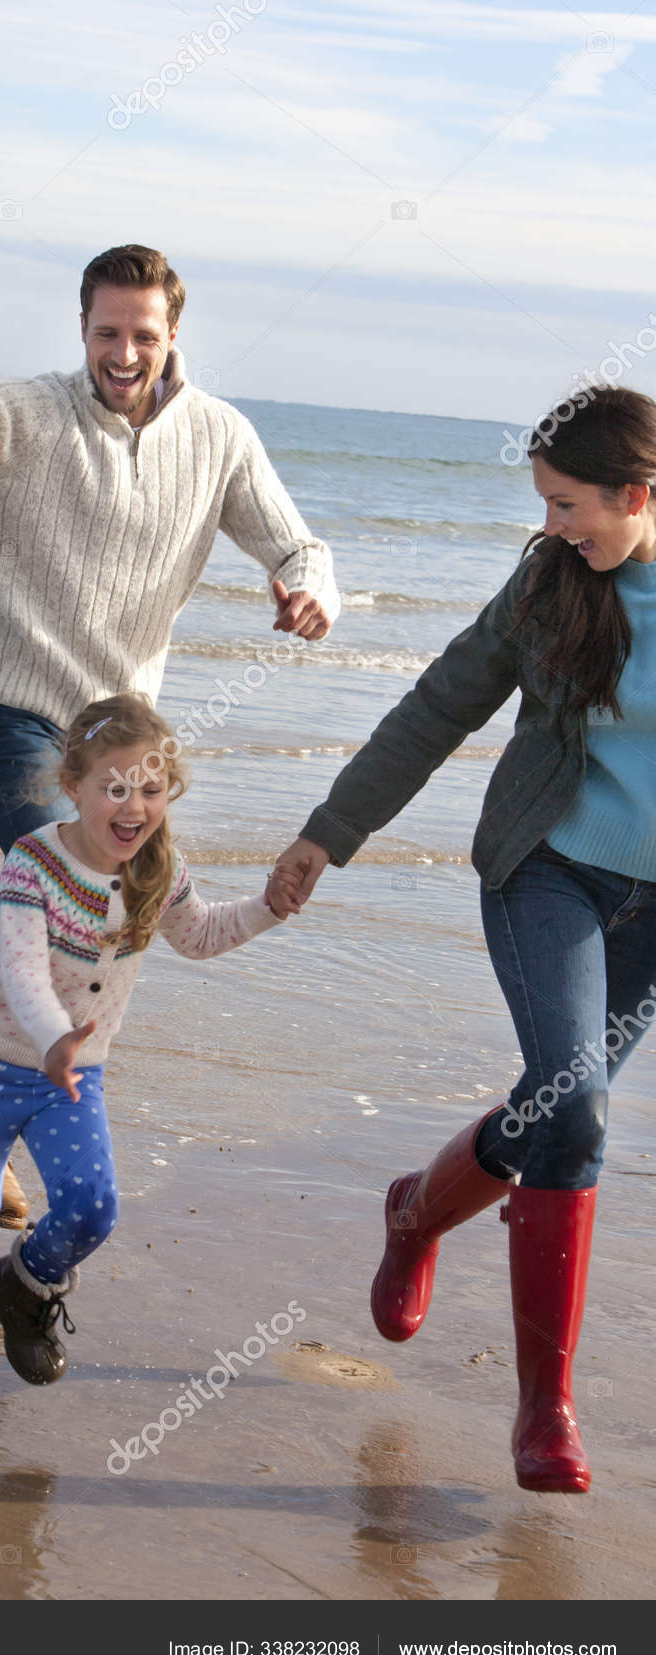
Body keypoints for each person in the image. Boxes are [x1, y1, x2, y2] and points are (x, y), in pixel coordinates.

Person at [0, 243, 339, 1219]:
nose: (123, 352)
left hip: (119, 744)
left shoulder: (218, 438)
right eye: (106, 331)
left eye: (142, 334)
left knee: (40, 917)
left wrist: (309, 586)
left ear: (170, 336)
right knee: (61, 895)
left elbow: (296, 540)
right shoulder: (30, 412)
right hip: (7, 713)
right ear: (81, 329)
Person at [272, 385, 656, 1495]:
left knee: (551, 1106)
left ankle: (414, 1210)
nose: (550, 526)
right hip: (548, 872)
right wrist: (326, 833)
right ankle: (546, 1410)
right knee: (573, 1106)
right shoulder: (547, 586)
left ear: (637, 494)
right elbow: (441, 704)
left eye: (569, 504)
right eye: (542, 502)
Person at [0, 693, 301, 1416]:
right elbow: (17, 967)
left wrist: (268, 906)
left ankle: (24, 1288)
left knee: (92, 1207)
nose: (132, 806)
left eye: (149, 789)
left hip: (70, 1080)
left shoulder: (159, 872)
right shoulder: (33, 862)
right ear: (73, 786)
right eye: (114, 787)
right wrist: (51, 1038)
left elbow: (201, 934)